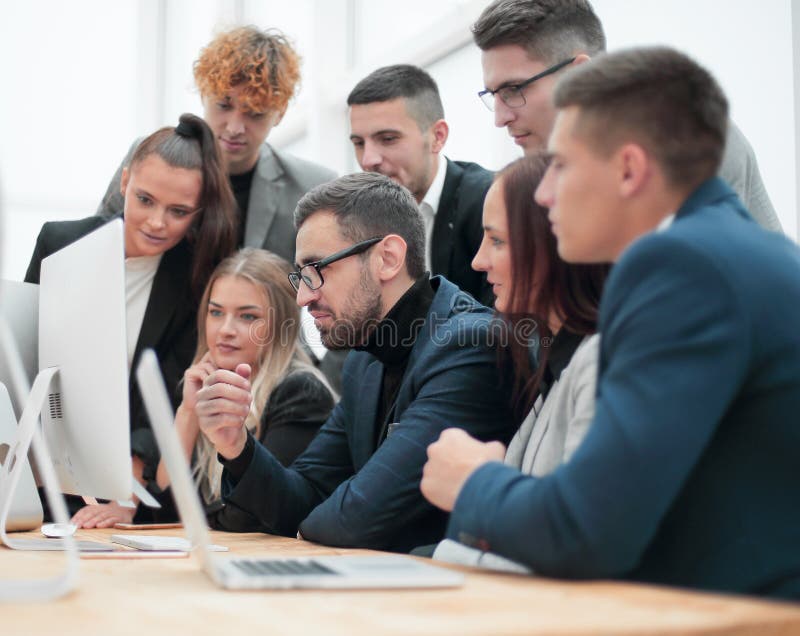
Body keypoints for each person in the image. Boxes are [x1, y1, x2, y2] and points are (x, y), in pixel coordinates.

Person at [421, 46, 800, 600]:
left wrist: (473, 480)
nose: (545, 194)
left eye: (563, 166)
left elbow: (584, 530)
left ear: (628, 169)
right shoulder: (739, 250)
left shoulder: (678, 266)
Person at [192, 172, 516, 552]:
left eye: (318, 270)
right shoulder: (365, 361)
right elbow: (304, 496)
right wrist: (236, 445)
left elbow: (356, 520)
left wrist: (306, 524)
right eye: (301, 277)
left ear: (388, 259)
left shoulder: (470, 345)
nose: (303, 298)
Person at [26, 113, 238, 526]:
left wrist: (130, 486)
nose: (157, 222)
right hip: (36, 463)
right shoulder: (59, 242)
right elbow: (23, 351)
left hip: (121, 479)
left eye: (178, 211)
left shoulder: (193, 279)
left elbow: (169, 384)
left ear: (198, 213)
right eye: (145, 199)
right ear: (125, 182)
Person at [431, 153, 607, 568]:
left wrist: (477, 481)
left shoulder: (599, 361)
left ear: (554, 243)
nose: (478, 262)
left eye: (497, 240)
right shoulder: (555, 363)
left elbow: (575, 549)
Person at [471, 0, 783, 232]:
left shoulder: (685, 139)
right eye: (492, 94)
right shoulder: (564, 169)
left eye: (513, 88)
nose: (500, 118)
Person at [97, 26, 335, 262]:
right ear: (203, 95)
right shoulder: (150, 157)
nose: (234, 128)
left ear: (280, 113)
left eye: (255, 114)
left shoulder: (312, 187)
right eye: (224, 105)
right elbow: (99, 245)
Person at [153, 248, 335, 531]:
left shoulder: (300, 393)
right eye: (215, 312)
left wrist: (195, 519)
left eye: (247, 317)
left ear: (280, 324)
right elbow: (164, 511)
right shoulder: (207, 385)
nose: (225, 329)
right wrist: (187, 414)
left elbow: (250, 518)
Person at [347, 64, 493, 304]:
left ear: (438, 137)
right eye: (358, 143)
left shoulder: (488, 202)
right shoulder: (359, 222)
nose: (368, 159)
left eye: (388, 139)